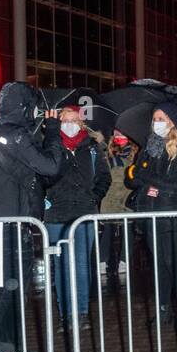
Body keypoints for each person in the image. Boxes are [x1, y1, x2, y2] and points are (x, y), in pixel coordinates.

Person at [0, 82, 65, 352]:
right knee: (11, 287)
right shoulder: (14, 134)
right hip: (11, 222)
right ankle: (5, 348)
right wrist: (53, 134)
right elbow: (51, 167)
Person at [43, 107, 110, 330]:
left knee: (81, 265)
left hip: (84, 213)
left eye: (74, 120)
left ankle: (80, 313)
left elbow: (104, 177)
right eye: (65, 120)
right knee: (61, 265)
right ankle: (65, 315)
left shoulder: (91, 147)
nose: (69, 124)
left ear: (81, 124)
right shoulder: (49, 146)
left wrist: (93, 197)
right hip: (56, 215)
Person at [128, 108, 177, 323]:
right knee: (158, 264)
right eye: (154, 119)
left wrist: (149, 181)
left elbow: (176, 185)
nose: (156, 122)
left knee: (174, 263)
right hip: (149, 212)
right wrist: (150, 182)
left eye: (161, 119)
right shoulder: (149, 147)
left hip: (171, 214)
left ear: (173, 122)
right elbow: (133, 179)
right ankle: (163, 309)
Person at [98, 132, 137, 281]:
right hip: (110, 197)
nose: (117, 136)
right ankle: (102, 261)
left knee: (128, 231)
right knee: (107, 230)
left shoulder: (135, 153)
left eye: (121, 133)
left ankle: (124, 261)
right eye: (115, 133)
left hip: (127, 196)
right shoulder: (108, 152)